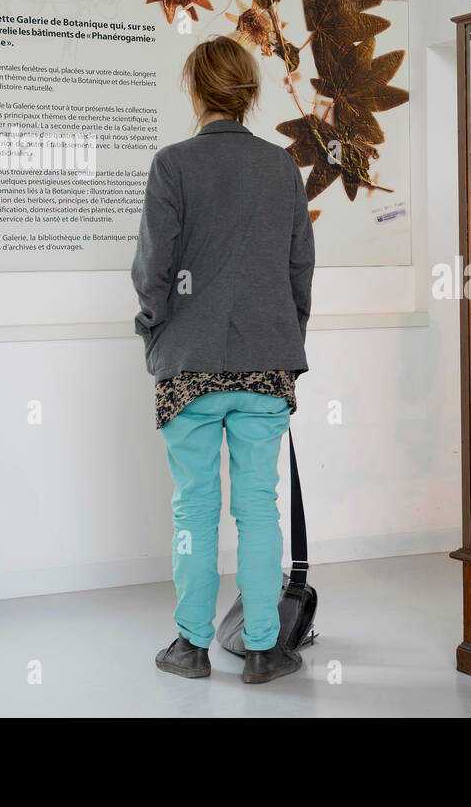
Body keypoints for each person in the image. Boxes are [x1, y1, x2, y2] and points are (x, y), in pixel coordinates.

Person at [131, 35, 314, 685]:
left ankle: (191, 645)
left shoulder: (172, 165)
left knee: (194, 506)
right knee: (259, 505)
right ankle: (263, 649)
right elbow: (299, 271)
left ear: (196, 90)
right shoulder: (282, 167)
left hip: (189, 365)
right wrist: (284, 338)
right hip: (266, 362)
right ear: (249, 93)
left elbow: (154, 273)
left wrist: (154, 333)